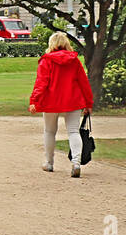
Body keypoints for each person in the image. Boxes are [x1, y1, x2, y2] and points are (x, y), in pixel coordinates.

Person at [29, 31, 94, 177]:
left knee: (49, 131)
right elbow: (84, 83)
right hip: (73, 101)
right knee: (73, 131)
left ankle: (49, 163)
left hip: (51, 101)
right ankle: (76, 163)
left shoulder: (46, 60)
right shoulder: (74, 61)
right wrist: (88, 103)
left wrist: (34, 100)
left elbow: (41, 83)